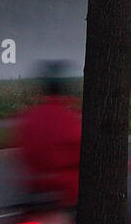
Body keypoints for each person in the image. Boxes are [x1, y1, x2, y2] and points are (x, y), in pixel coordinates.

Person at [9, 61, 81, 209]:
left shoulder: (29, 116)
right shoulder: (70, 117)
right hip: (68, 188)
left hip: (35, 184)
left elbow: (18, 148)